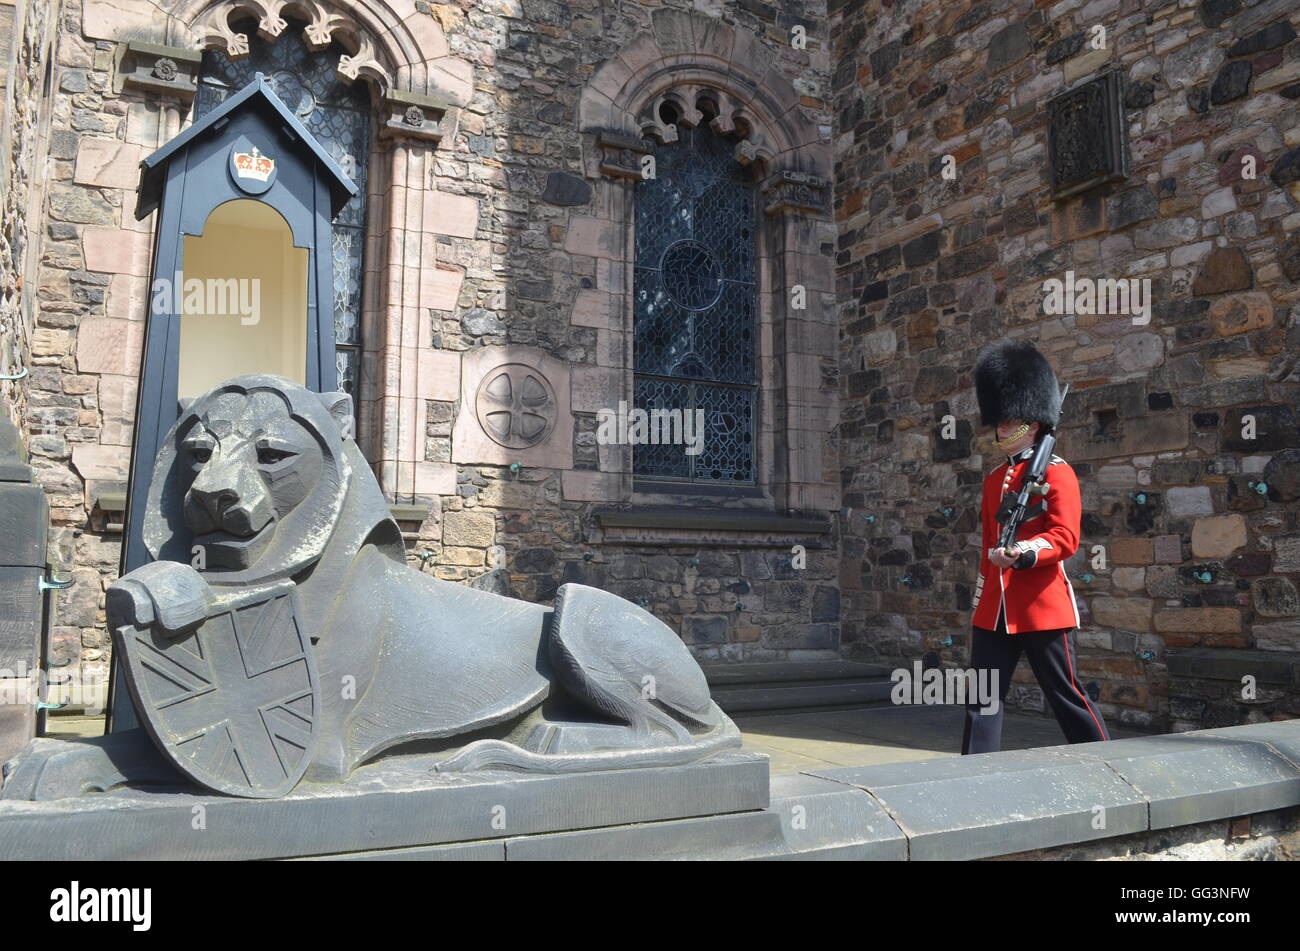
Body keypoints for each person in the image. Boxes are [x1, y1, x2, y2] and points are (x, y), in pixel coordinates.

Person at [962, 339, 1110, 754]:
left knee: (1066, 694)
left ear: (1035, 421)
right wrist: (982, 596)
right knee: (982, 700)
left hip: (1042, 606)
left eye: (1011, 421)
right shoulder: (995, 479)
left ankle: (1107, 761)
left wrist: (1024, 553)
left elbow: (1065, 538)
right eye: (1000, 421)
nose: (1003, 429)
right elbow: (988, 545)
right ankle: (973, 775)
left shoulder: (1058, 474)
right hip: (995, 608)